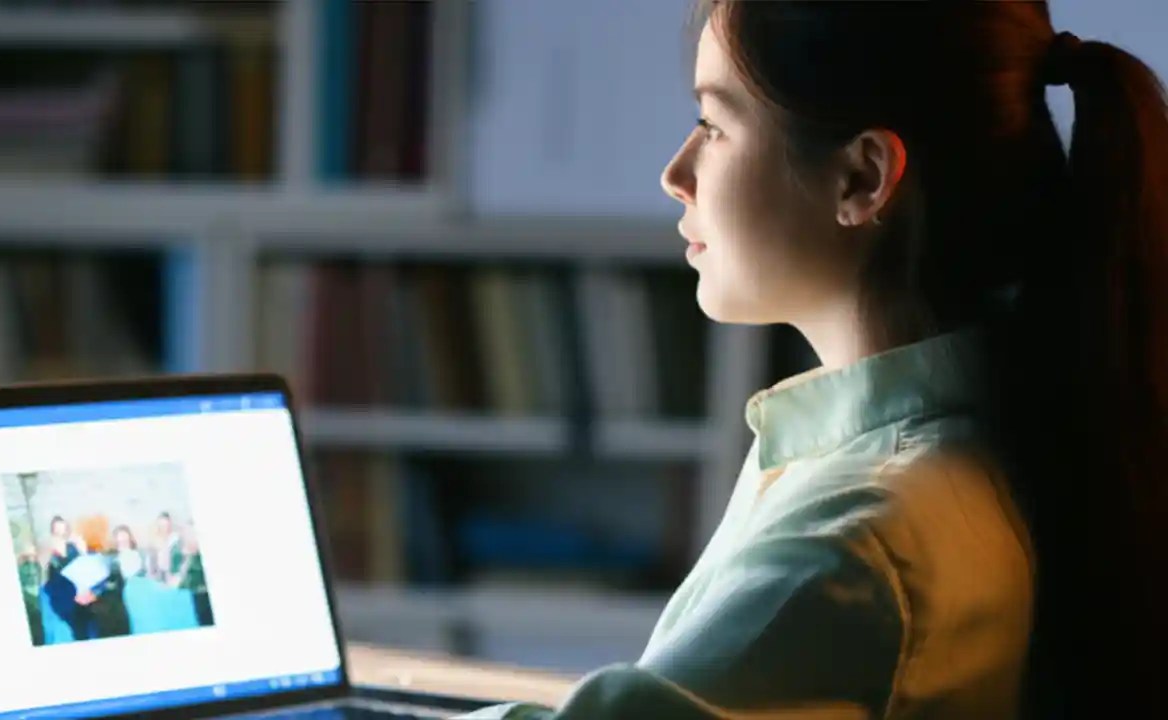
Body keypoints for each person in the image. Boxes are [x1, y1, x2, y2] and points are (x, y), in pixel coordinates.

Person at [461, 2, 1167, 719]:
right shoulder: (1008, 432)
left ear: (861, 179)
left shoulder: (856, 547)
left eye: (713, 125)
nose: (677, 172)